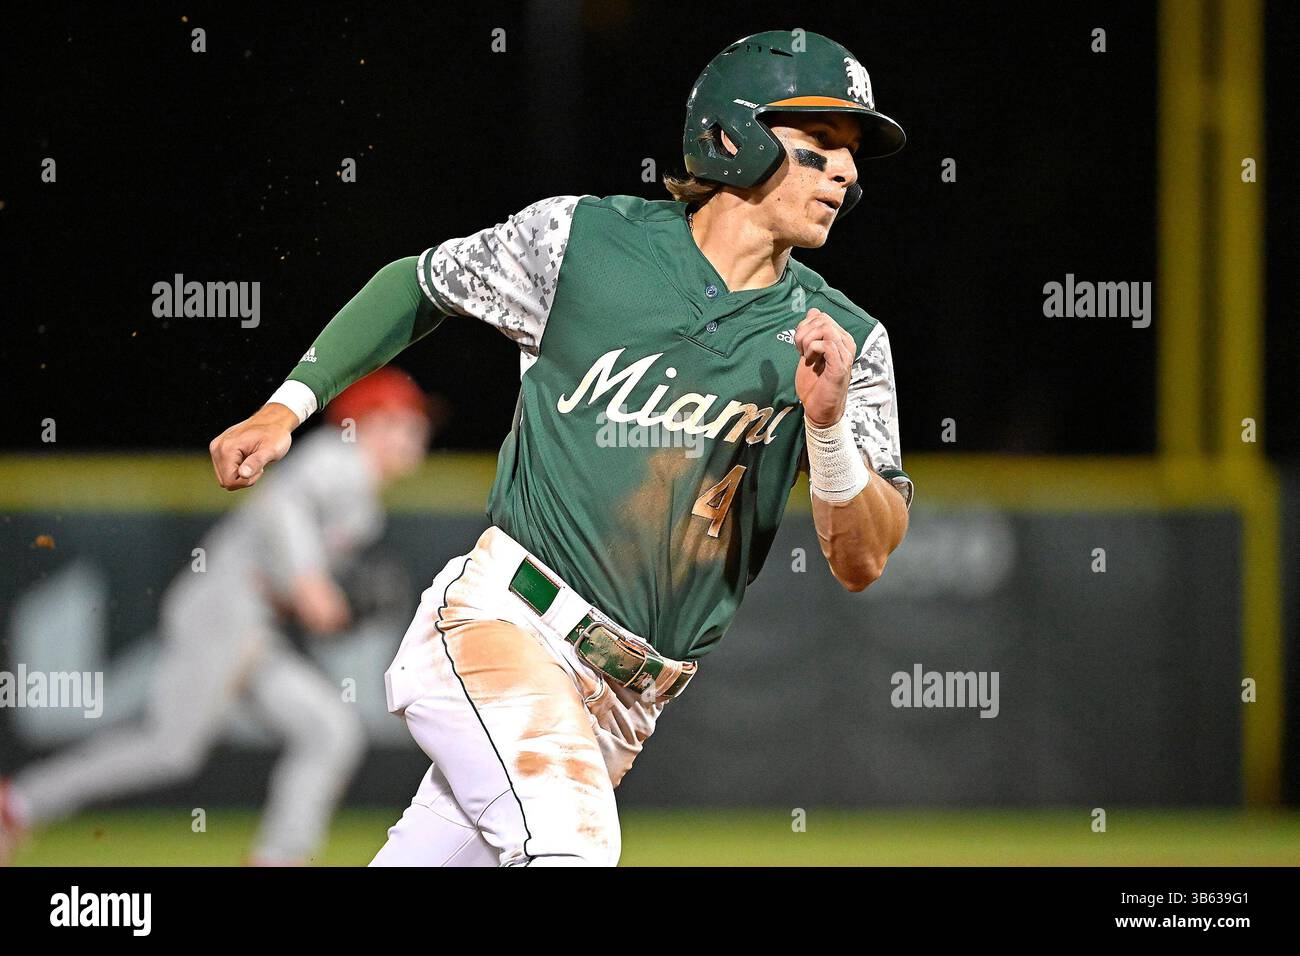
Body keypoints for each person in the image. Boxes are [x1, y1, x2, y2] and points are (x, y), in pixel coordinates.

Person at [203, 30, 911, 867]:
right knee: (571, 851)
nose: (847, 172)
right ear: (731, 134)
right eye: (820, 145)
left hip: (627, 702)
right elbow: (420, 283)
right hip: (508, 624)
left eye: (852, 155)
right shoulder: (582, 243)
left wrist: (826, 429)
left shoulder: (845, 341)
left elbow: (863, 558)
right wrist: (287, 407)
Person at [0, 369, 433, 866]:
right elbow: (279, 501)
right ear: (370, 423)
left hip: (254, 626)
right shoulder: (338, 457)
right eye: (407, 421)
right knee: (169, 749)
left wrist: (319, 598)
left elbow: (299, 580)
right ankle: (16, 804)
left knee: (330, 730)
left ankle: (279, 858)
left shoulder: (365, 504)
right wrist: (308, 579)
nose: (418, 435)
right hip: (222, 609)